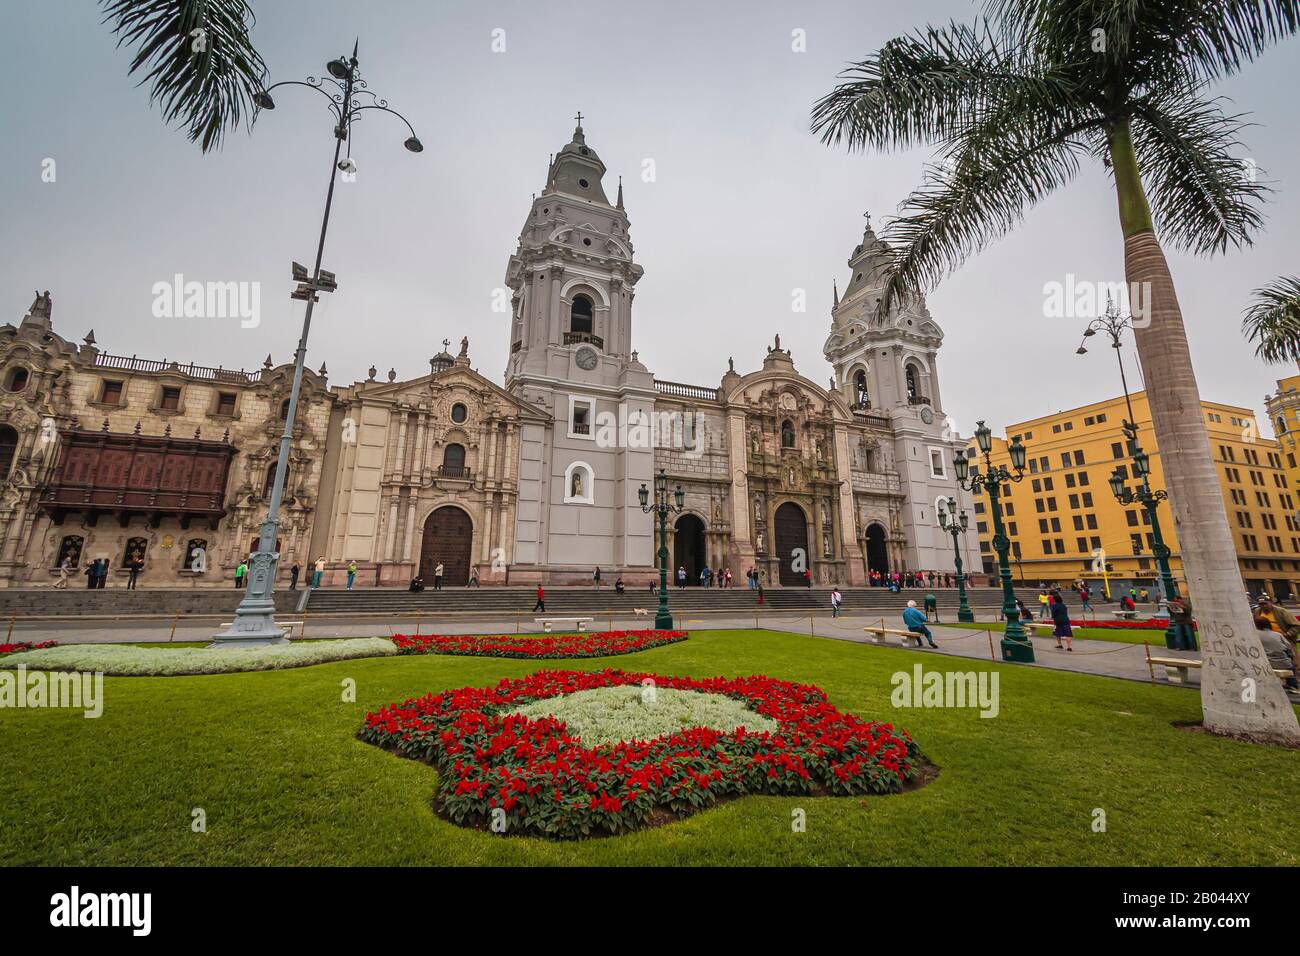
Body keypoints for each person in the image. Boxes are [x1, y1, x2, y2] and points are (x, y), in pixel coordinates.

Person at [1255, 595, 1300, 680]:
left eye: (1265, 603)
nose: (1263, 606)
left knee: (1293, 660)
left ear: (1271, 603)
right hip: (1266, 639)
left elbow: (1297, 625)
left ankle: (1296, 680)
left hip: (1284, 638)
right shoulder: (1258, 612)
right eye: (1261, 604)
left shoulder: (1281, 612)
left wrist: (1288, 634)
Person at [1253, 614, 1300, 691]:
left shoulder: (1254, 635)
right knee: (1290, 666)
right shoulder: (1278, 635)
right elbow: (1289, 649)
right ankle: (1293, 685)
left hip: (1266, 663)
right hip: (1284, 663)